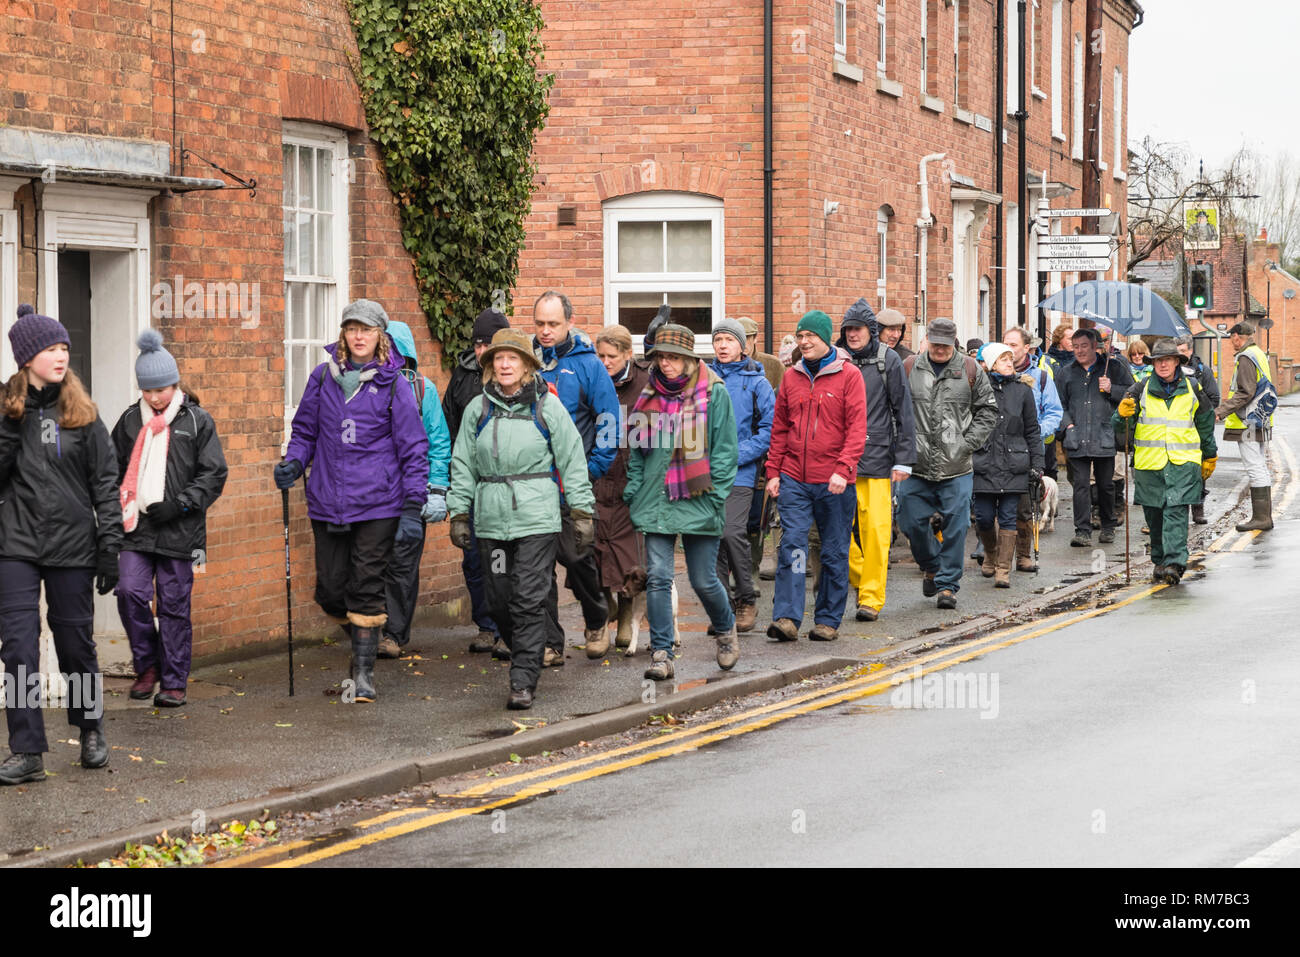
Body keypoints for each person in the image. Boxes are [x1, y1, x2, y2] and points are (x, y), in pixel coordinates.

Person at [277, 299, 429, 703]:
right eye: (352, 328)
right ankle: (368, 635)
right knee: (329, 591)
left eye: (367, 329)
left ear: (380, 335)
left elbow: (414, 448)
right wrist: (293, 463)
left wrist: (413, 506)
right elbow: (305, 430)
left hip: (378, 503)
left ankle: (362, 675)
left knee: (365, 586)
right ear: (343, 334)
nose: (359, 336)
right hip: (328, 499)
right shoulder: (322, 379)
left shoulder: (394, 385)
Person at [0, 305, 121, 785]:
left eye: (64, 348)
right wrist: (13, 420)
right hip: (16, 545)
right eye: (51, 348)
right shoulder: (5, 408)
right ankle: (27, 750)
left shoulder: (83, 416)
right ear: (27, 357)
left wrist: (110, 544)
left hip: (73, 545)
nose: (61, 356)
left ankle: (90, 728)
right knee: (18, 649)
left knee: (76, 645)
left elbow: (106, 484)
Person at [447, 330, 595, 709]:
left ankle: (523, 678)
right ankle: (526, 654)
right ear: (490, 366)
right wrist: (460, 512)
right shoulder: (477, 410)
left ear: (528, 364)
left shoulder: (547, 408)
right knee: (498, 601)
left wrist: (581, 513)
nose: (506, 364)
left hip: (537, 521)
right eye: (499, 359)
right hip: (493, 523)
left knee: (528, 599)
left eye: (513, 358)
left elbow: (572, 461)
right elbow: (463, 463)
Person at [112, 330, 228, 708]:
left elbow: (213, 474)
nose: (155, 397)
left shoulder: (197, 421)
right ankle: (147, 666)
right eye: (148, 390)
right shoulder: (130, 422)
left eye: (161, 388)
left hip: (181, 529)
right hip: (138, 529)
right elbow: (113, 472)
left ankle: (174, 681)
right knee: (129, 592)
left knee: (175, 607)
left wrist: (179, 504)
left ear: (174, 383)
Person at [624, 323, 739, 678]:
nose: (666, 364)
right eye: (661, 358)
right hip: (655, 499)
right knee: (658, 577)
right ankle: (662, 653)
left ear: (689, 360)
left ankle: (726, 630)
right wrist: (633, 490)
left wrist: (717, 496)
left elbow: (725, 451)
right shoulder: (649, 393)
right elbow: (638, 451)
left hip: (699, 497)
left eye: (673, 358)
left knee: (703, 579)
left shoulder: (712, 393)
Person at [765, 310, 867, 641]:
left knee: (834, 550)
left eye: (811, 336)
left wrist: (843, 468)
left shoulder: (849, 376)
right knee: (792, 545)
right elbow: (780, 427)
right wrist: (773, 471)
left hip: (835, 481)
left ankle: (827, 619)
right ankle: (787, 617)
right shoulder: (791, 378)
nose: (804, 341)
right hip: (794, 476)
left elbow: (857, 429)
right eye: (800, 336)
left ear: (825, 339)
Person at [532, 291, 618, 662]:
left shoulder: (588, 365)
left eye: (553, 324)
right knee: (537, 566)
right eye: (540, 324)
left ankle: (597, 615)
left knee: (577, 556)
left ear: (569, 322)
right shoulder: (526, 362)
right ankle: (550, 642)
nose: (546, 331)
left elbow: (610, 421)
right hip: (532, 483)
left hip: (573, 484)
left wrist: (594, 468)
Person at [895, 318, 999, 609]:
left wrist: (967, 444)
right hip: (915, 465)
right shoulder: (908, 367)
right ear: (927, 339)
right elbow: (895, 409)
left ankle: (947, 586)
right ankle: (931, 563)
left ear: (954, 342)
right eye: (935, 343)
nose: (939, 349)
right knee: (909, 522)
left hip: (956, 467)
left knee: (956, 525)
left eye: (945, 344)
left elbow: (988, 411)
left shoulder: (969, 369)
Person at [1116, 339, 1217, 584]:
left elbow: (1205, 422)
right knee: (1155, 516)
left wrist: (1210, 453)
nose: (1162, 365)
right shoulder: (1138, 390)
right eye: (1158, 361)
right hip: (1149, 465)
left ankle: (1174, 562)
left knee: (1176, 510)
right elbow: (1120, 430)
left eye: (1167, 360)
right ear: (1153, 364)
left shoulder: (1193, 388)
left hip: (1183, 463)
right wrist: (1121, 415)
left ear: (1176, 362)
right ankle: (1160, 561)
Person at [840, 299, 916, 621]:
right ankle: (859, 579)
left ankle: (871, 597)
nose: (852, 335)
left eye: (857, 329)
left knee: (876, 531)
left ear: (870, 331)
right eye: (847, 330)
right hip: (840, 460)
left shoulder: (889, 362)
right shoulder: (836, 360)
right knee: (839, 531)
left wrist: (904, 459)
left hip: (877, 458)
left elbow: (904, 410)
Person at [380, 320, 452, 658]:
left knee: (402, 565)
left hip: (411, 494)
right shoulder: (363, 388)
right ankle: (371, 628)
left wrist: (437, 489)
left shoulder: (422, 389)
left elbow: (438, 442)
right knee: (369, 561)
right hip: (371, 494)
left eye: (393, 350)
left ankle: (393, 634)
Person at [443, 308, 509, 657]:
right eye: (478, 344)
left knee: (501, 557)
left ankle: (505, 627)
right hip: (470, 484)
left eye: (490, 343)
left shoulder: (515, 375)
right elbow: (449, 428)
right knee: (473, 559)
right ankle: (486, 626)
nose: (483, 351)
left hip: (505, 484)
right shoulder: (463, 375)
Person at [709, 318, 775, 632]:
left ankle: (746, 599)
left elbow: (769, 430)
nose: (723, 345)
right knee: (712, 538)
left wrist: (737, 455)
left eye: (729, 340)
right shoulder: (702, 379)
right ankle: (723, 610)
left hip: (740, 472)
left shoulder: (757, 382)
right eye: (718, 340)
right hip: (704, 473)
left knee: (731, 533)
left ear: (742, 346)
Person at [592, 325, 649, 649]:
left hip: (631, 479)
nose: (604, 362)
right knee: (595, 551)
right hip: (599, 476)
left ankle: (626, 616)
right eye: (600, 355)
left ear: (628, 354)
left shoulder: (644, 383)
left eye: (611, 356)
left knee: (629, 555)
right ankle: (604, 609)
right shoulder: (592, 379)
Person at [972, 344, 1043, 587]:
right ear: (991, 363)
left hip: (1014, 463)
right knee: (983, 517)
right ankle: (991, 554)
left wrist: (1038, 463)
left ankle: (1003, 569)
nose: (1009, 363)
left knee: (1008, 517)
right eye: (1003, 359)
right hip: (984, 461)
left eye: (1010, 359)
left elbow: (1032, 430)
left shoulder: (1023, 391)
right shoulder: (978, 389)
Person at [1055, 327, 1133, 547]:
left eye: (1084, 346)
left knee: (1105, 484)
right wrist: (1067, 425)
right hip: (1076, 435)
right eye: (1075, 346)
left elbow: (1132, 393)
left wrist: (1112, 389)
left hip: (1104, 434)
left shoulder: (1114, 367)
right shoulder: (1065, 373)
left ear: (1095, 347)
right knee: (1080, 485)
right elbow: (1057, 404)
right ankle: (1082, 530)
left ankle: (1108, 526)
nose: (1079, 350)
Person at [1003, 326, 1062, 571]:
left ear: (1027, 348)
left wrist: (1035, 432)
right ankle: (995, 555)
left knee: (1025, 506)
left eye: (1014, 345)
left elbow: (1054, 412)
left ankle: (1023, 555)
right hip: (998, 449)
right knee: (996, 505)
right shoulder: (991, 373)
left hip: (1029, 450)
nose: (1008, 349)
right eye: (1005, 343)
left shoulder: (1041, 377)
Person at [1216, 322, 1276, 532]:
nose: (1231, 340)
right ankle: (1263, 516)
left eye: (1231, 336)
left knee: (1254, 466)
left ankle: (1261, 518)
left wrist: (1221, 410)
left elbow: (1245, 392)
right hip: (1259, 419)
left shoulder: (1245, 357)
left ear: (1236, 336)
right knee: (1259, 465)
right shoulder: (1258, 353)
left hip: (1247, 421)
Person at [1173, 334, 1220, 525]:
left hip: (1196, 427)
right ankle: (1179, 508)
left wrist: (1195, 405)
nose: (1180, 355)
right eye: (1176, 352)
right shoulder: (1168, 373)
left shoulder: (1202, 371)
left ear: (1190, 351)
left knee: (1198, 470)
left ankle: (1198, 508)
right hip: (1176, 429)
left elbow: (1214, 398)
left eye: (1183, 351)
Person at [738, 316, 785, 394]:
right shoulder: (726, 366)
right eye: (739, 338)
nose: (743, 342)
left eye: (747, 337)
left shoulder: (774, 364)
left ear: (755, 338)